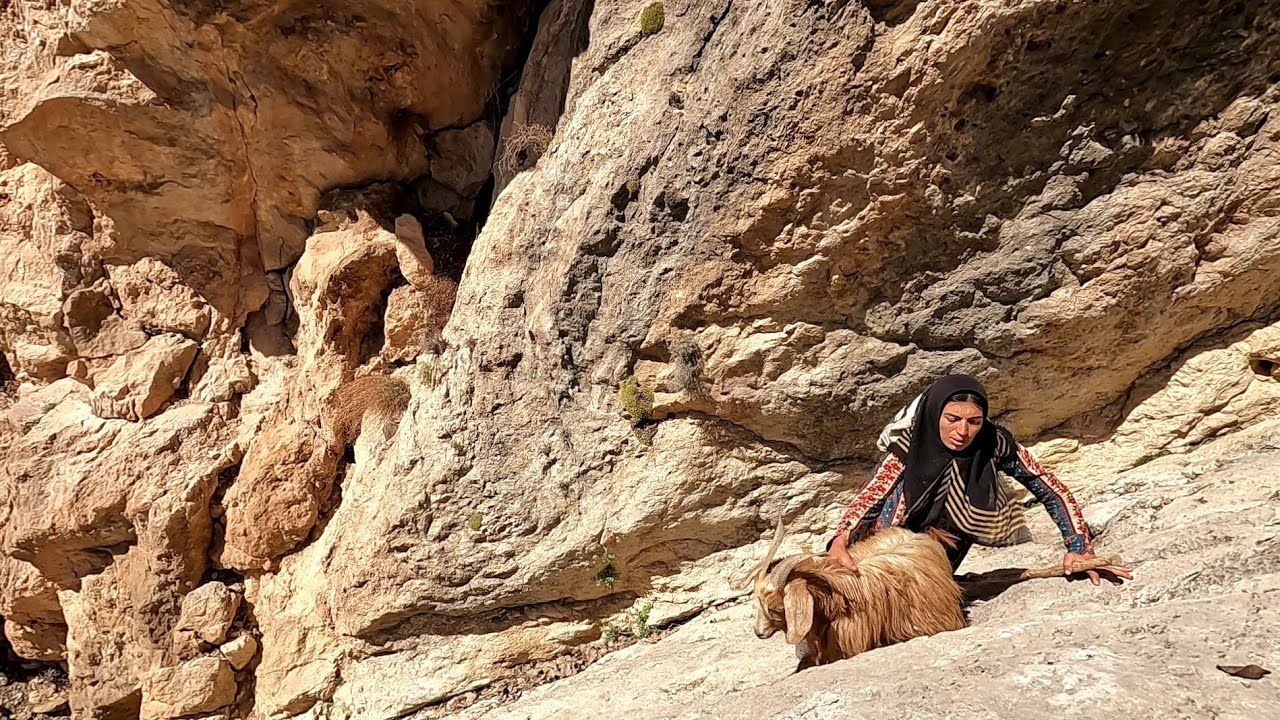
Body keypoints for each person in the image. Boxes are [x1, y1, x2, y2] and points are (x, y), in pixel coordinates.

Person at [828, 373, 1132, 586]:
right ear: (934, 415)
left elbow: (1051, 489)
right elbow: (870, 498)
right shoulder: (909, 445)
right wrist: (840, 541)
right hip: (882, 549)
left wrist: (1079, 547)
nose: (962, 431)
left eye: (973, 421)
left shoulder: (994, 444)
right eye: (952, 419)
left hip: (940, 554)